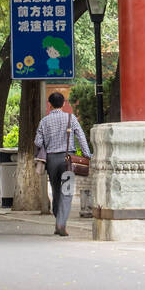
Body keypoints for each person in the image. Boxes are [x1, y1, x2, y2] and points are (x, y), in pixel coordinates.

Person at [34, 91, 91, 237]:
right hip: (68, 161)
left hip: (51, 160)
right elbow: (81, 136)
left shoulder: (44, 121)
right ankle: (61, 223)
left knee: (56, 190)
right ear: (64, 103)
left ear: (50, 104)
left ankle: (58, 219)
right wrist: (87, 155)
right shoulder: (71, 118)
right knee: (67, 192)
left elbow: (38, 142)